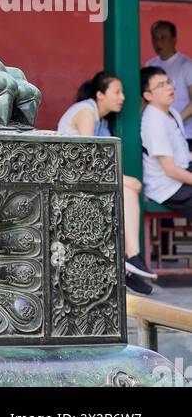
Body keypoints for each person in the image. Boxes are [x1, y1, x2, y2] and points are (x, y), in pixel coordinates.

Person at [58, 72, 156, 294]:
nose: (122, 97)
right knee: (129, 190)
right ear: (100, 95)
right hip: (69, 181)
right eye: (117, 92)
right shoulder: (86, 111)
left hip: (84, 180)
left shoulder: (101, 118)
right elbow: (88, 160)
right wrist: (124, 180)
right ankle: (132, 259)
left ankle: (130, 263)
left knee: (128, 192)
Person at [141, 65, 192, 223]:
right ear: (148, 95)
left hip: (182, 174)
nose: (169, 87)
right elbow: (170, 170)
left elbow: (183, 155)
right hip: (168, 187)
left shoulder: (172, 112)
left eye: (168, 82)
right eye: (161, 86)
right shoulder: (153, 122)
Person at [146, 21, 192, 148]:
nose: (158, 42)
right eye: (155, 38)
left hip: (185, 134)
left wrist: (175, 121)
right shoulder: (150, 65)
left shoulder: (186, 65)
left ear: (174, 39)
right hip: (158, 133)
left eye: (163, 37)